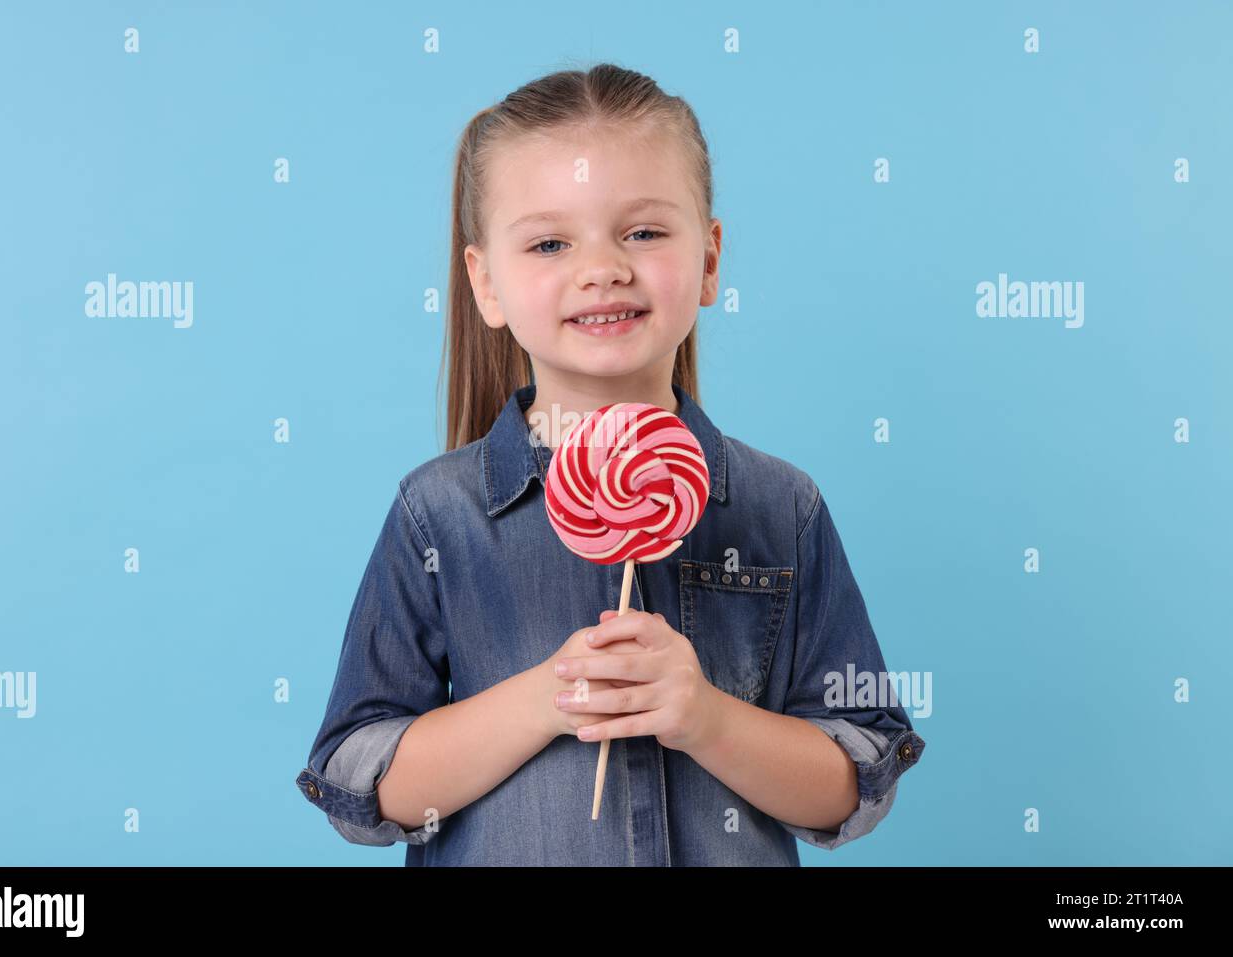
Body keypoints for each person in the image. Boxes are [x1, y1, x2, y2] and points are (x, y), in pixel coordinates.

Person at [294, 62, 925, 866]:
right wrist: (549, 696)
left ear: (709, 259)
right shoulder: (438, 514)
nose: (603, 268)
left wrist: (706, 716)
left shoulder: (779, 508)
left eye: (644, 231)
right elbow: (362, 787)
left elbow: (853, 782)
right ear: (486, 283)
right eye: (551, 241)